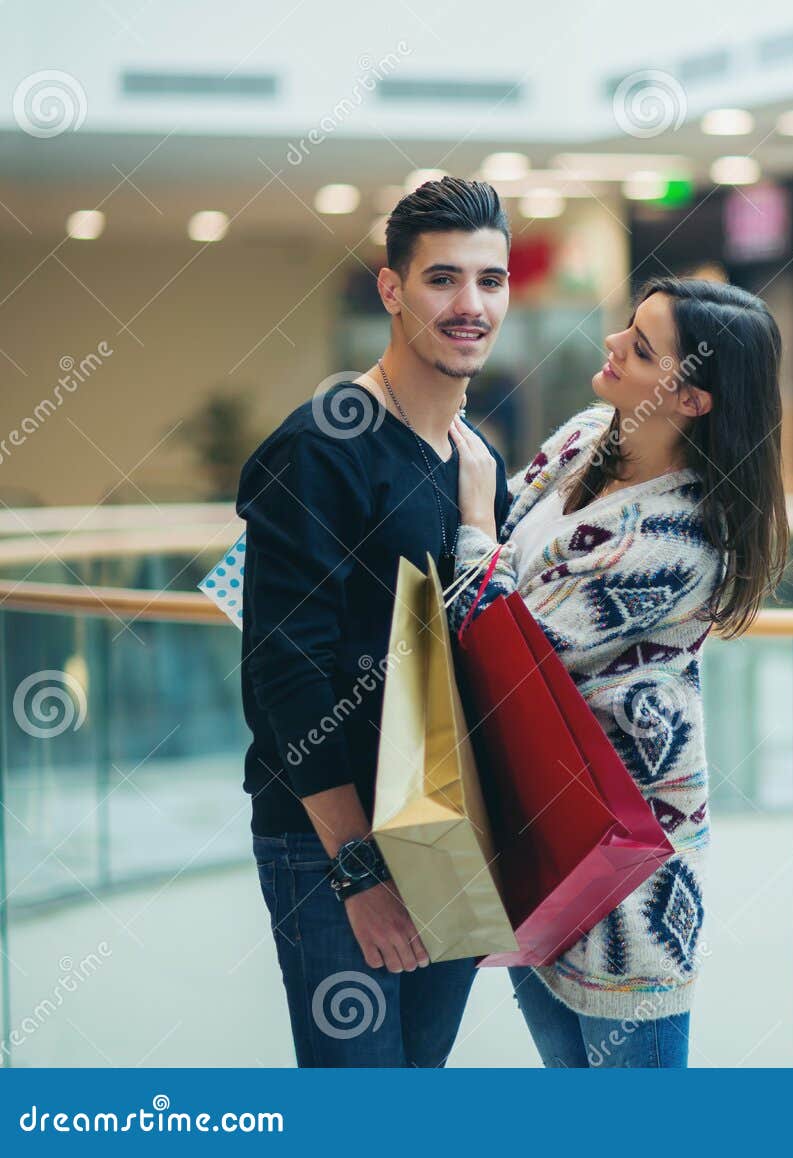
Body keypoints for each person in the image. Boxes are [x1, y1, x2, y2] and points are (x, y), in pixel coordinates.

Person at [447, 277, 788, 1067]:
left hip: (626, 875)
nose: (612, 345)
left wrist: (471, 521)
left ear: (693, 398)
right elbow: (497, 580)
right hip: (534, 827)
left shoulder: (682, 537)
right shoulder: (582, 440)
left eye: (639, 348)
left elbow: (501, 639)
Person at [238, 177, 514, 1066]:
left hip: (445, 829)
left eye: (491, 280)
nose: (470, 305)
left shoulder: (477, 462)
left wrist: (481, 523)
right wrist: (356, 871)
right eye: (442, 280)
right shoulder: (322, 447)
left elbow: (478, 651)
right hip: (333, 845)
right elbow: (283, 674)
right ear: (392, 290)